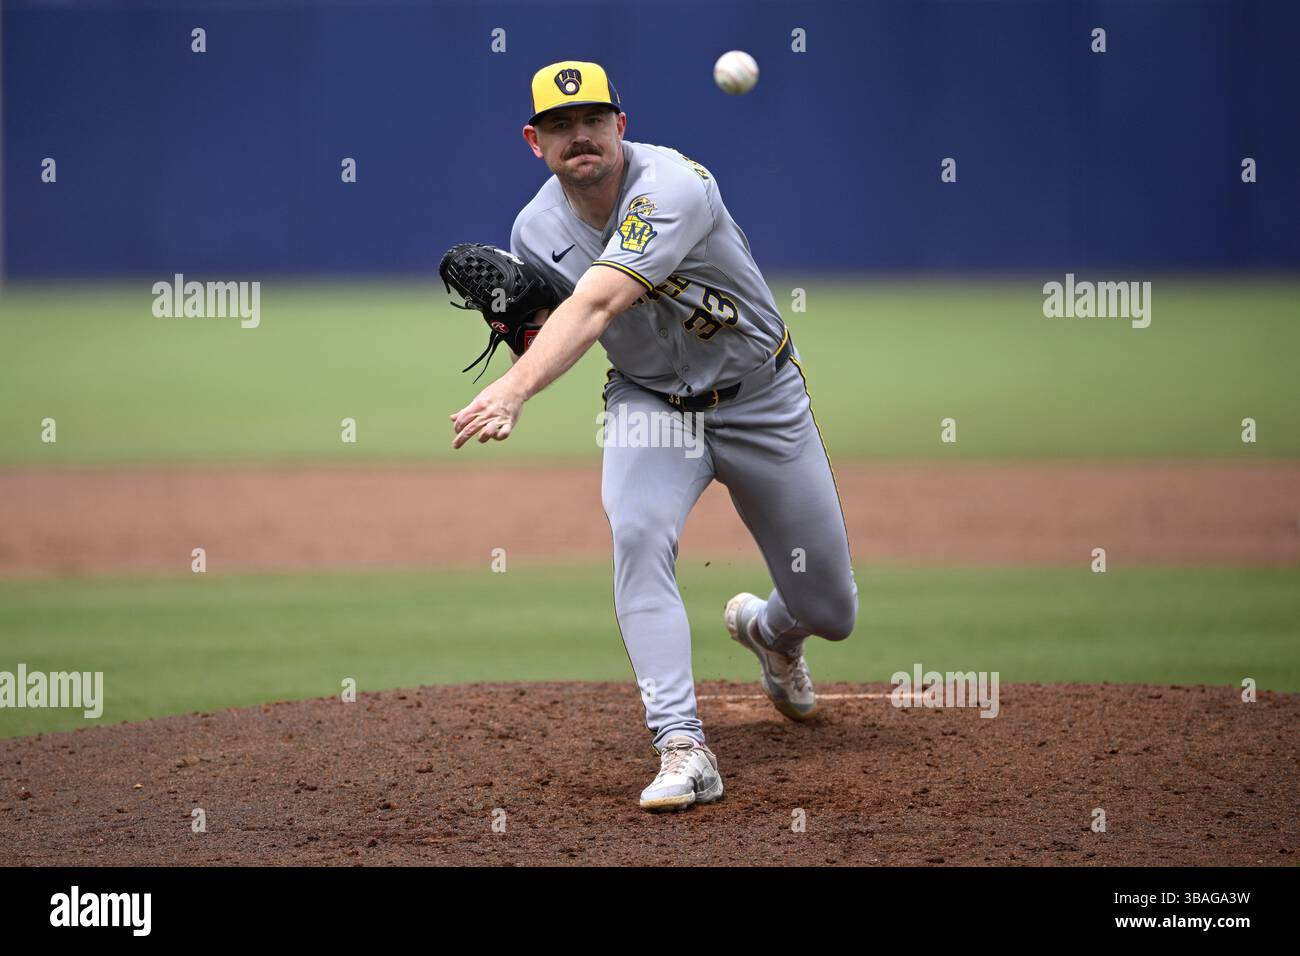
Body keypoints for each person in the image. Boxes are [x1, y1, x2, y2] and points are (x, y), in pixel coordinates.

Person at [449, 60, 857, 812]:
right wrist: (523, 341)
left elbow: (601, 302)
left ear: (620, 128)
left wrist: (513, 388)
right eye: (563, 126)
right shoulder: (533, 230)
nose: (582, 136)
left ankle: (771, 632)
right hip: (649, 404)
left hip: (761, 398)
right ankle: (682, 744)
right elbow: (562, 332)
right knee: (637, 534)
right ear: (534, 141)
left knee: (832, 611)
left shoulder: (674, 185)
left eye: (595, 120)